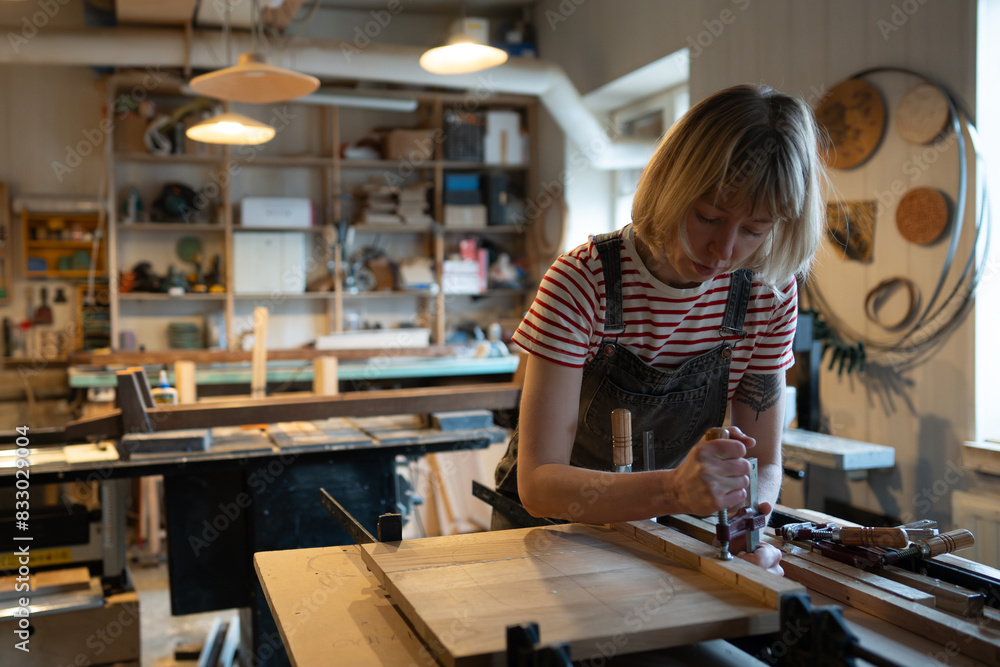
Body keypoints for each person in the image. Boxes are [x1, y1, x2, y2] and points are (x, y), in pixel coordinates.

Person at [492, 84, 826, 575]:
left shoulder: (767, 294)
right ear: (671, 186)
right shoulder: (582, 281)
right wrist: (673, 489)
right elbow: (540, 484)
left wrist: (747, 522)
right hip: (549, 534)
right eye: (708, 216)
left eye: (754, 230)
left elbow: (765, 462)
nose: (723, 251)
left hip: (665, 529)